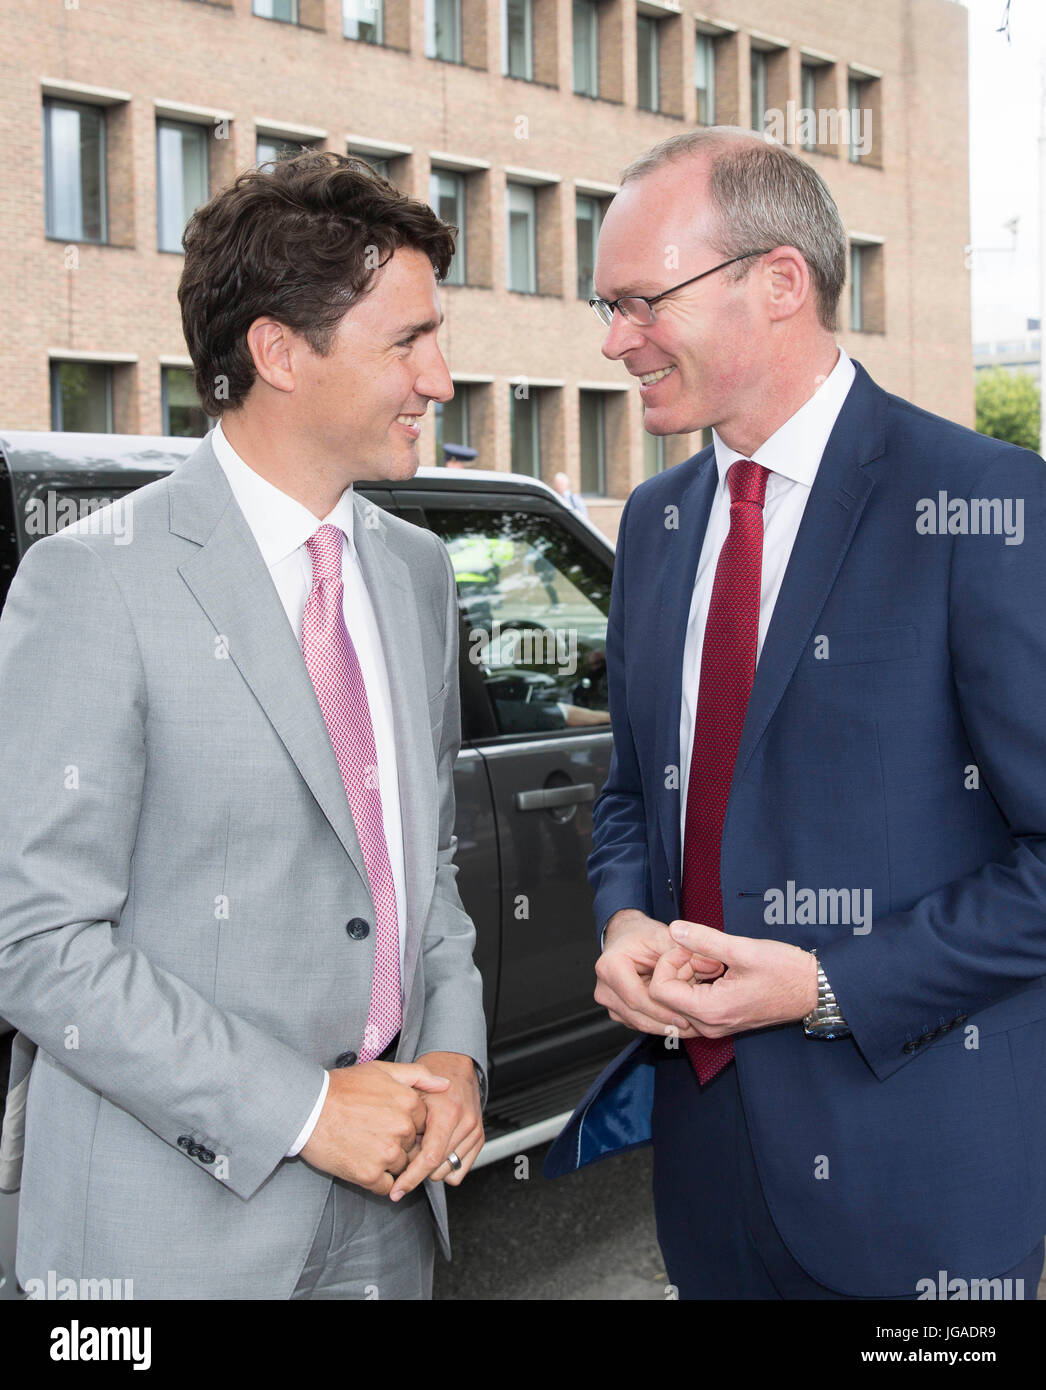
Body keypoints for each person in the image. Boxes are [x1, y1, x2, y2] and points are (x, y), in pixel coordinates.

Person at [546, 127, 1046, 1300]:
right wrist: (625, 927)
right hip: (709, 1182)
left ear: (779, 281)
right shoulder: (657, 523)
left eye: (638, 301)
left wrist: (823, 986)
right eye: (602, 308)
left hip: (923, 1197)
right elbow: (631, 796)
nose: (616, 340)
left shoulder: (982, 506)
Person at [0, 152, 486, 1300]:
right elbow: (34, 942)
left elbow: (427, 874)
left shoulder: (415, 573)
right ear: (277, 352)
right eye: (406, 340)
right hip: (158, 1244)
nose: (443, 376)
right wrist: (305, 1108)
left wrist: (454, 1051)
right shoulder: (94, 582)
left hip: (392, 1215)